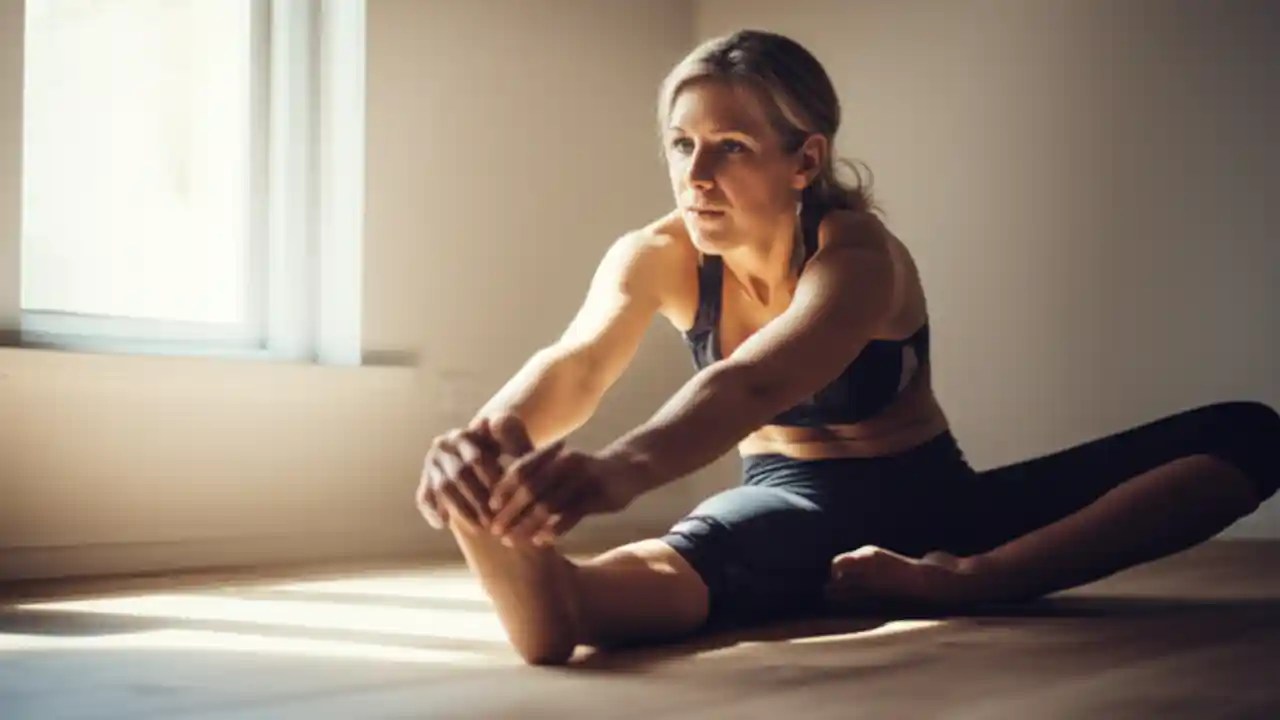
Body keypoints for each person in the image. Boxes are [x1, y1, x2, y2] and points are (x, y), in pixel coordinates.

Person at [414, 29, 1279, 666]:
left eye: (730, 148)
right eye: (681, 145)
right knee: (588, 608)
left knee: (1250, 432)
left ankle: (972, 582)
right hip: (791, 507)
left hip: (944, 511)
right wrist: (488, 445)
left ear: (805, 160)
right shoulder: (657, 254)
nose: (695, 175)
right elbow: (575, 364)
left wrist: (617, 472)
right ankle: (548, 587)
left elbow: (750, 386)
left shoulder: (858, 256)